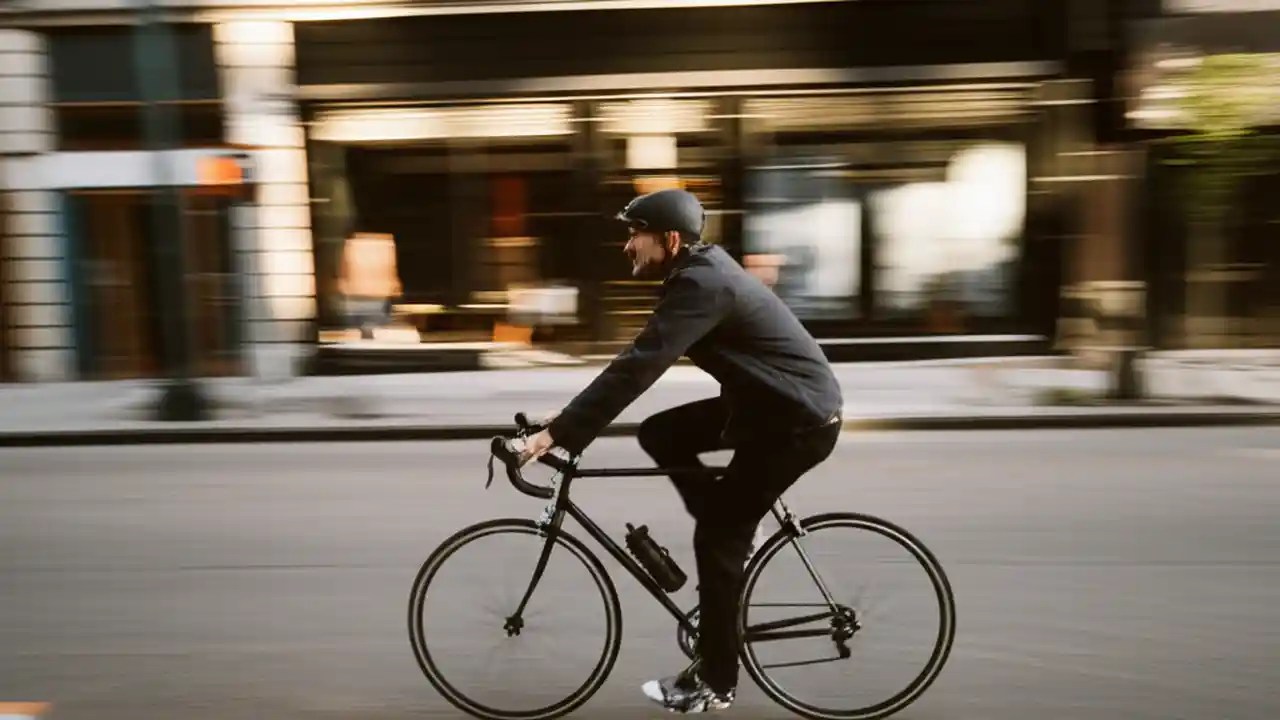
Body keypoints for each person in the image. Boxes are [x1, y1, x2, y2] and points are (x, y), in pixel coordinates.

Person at [518, 188, 843, 713]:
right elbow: (635, 363)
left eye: (634, 234)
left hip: (796, 423)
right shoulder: (695, 275)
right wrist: (568, 420)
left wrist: (558, 435)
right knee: (661, 434)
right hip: (765, 408)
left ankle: (716, 680)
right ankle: (738, 526)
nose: (627, 246)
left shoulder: (703, 284)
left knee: (716, 538)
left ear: (668, 240)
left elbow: (638, 366)